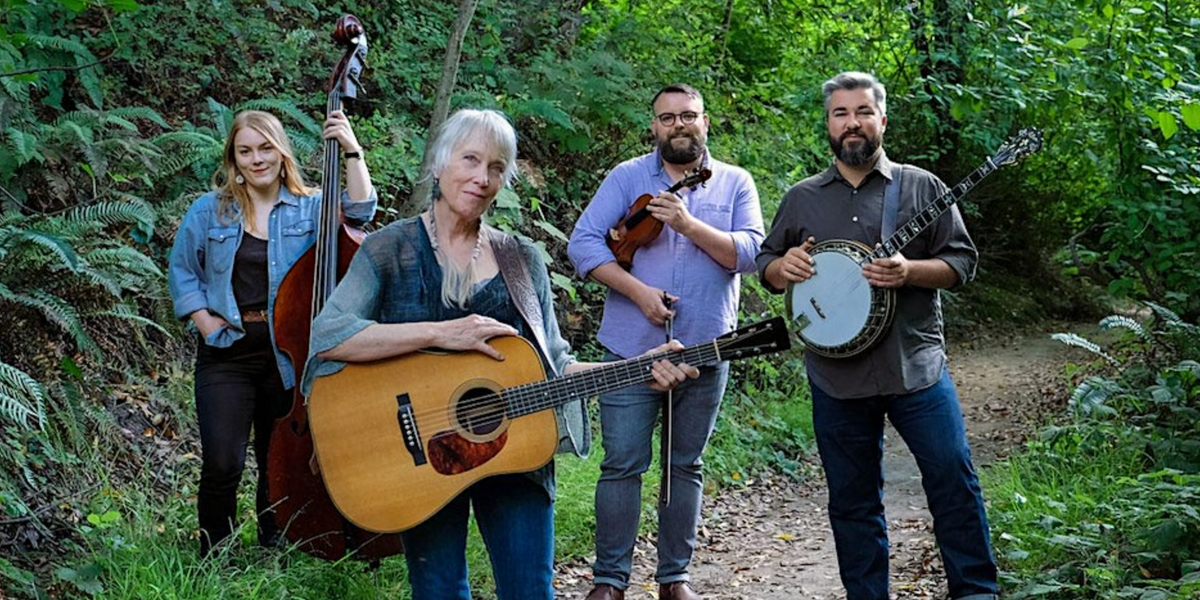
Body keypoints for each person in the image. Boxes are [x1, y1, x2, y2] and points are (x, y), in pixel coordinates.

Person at [300, 108, 697, 600]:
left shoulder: (521, 258)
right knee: (439, 590)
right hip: (419, 459)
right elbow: (329, 336)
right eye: (470, 160)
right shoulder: (389, 249)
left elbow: (556, 365)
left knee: (530, 591)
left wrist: (637, 370)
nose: (482, 178)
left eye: (495, 167)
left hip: (515, 457)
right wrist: (442, 333)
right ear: (440, 164)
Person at [756, 71, 999, 600]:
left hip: (914, 365)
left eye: (863, 112)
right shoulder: (802, 198)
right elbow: (767, 264)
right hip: (835, 377)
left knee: (953, 483)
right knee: (853, 503)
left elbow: (961, 262)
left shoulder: (922, 186)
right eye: (841, 113)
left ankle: (977, 593)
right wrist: (782, 267)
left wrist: (910, 271)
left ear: (882, 120)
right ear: (828, 124)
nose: (853, 123)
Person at [567, 84, 765, 600]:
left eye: (689, 116)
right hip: (630, 347)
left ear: (705, 122)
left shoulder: (735, 183)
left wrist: (688, 224)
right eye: (668, 117)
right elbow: (582, 243)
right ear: (654, 126)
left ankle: (674, 579)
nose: (679, 125)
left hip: (706, 348)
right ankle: (609, 582)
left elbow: (749, 254)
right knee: (622, 465)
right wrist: (638, 293)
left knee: (685, 466)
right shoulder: (627, 177)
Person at [167, 109, 377, 556]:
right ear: (233, 158)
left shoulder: (313, 206)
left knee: (275, 457)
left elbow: (361, 211)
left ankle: (273, 547)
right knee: (222, 460)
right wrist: (203, 319)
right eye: (245, 151)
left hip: (289, 354)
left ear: (282, 152)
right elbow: (183, 271)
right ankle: (214, 554)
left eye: (265, 148)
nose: (256, 159)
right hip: (227, 352)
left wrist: (352, 149)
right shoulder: (209, 211)